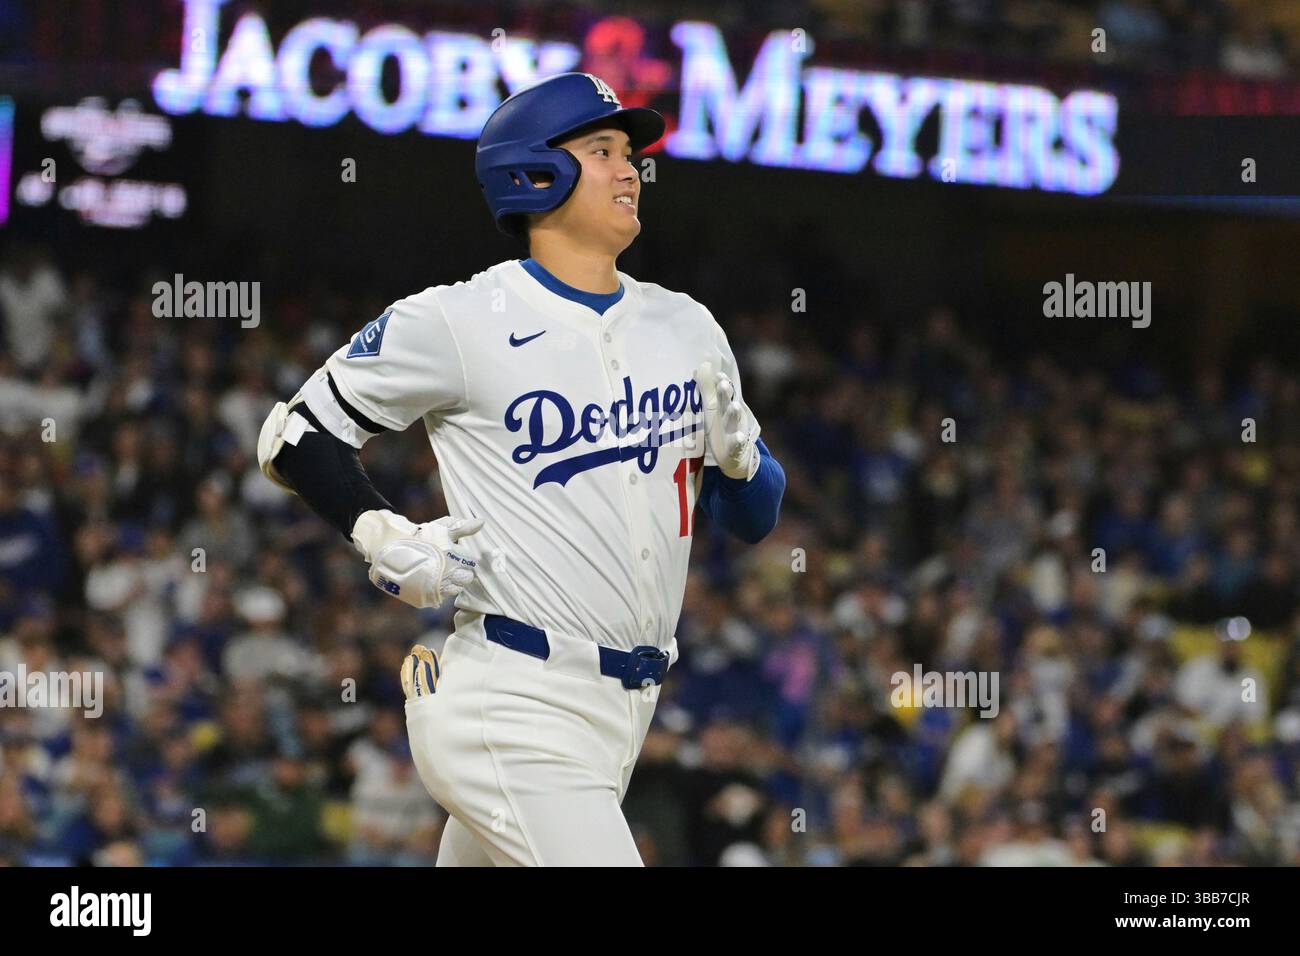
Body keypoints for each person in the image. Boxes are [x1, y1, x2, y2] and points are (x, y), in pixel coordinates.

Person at [257, 72, 785, 865]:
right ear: (535, 174)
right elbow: (295, 434)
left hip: (624, 712)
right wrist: (377, 530)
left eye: (629, 153)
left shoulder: (687, 326)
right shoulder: (461, 320)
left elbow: (754, 522)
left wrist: (744, 465)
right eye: (602, 149)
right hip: (512, 697)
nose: (628, 169)